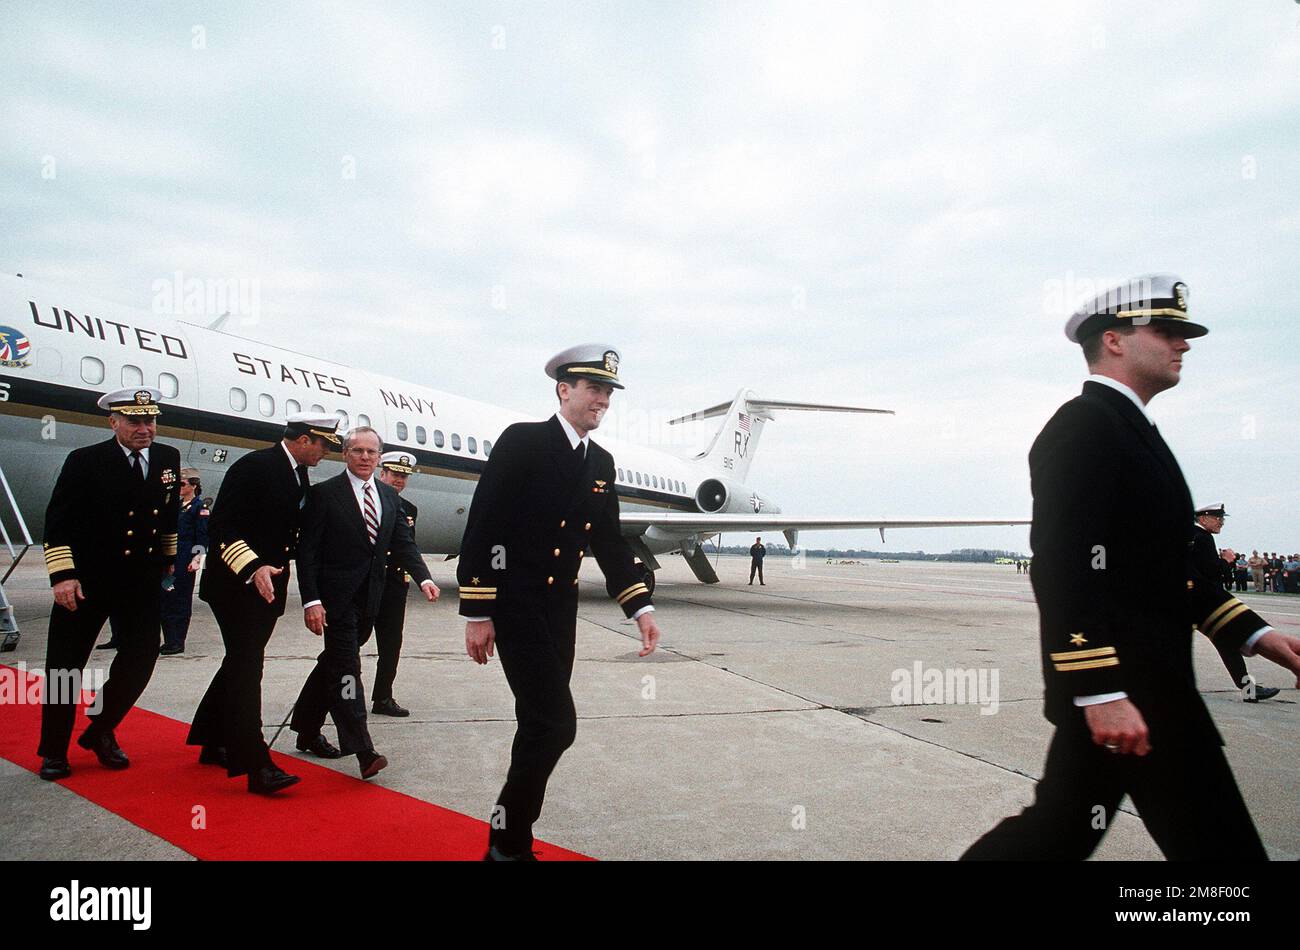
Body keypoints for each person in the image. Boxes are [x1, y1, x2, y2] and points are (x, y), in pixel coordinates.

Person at [962, 274, 1300, 860]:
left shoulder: (1135, 431)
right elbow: (1064, 567)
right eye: (1168, 330)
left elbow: (1169, 573)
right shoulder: (1083, 428)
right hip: (1126, 693)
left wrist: (1256, 633)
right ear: (1114, 339)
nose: (1184, 344)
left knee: (1058, 834)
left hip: (1150, 693)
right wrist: (1098, 690)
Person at [459, 343, 663, 860]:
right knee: (556, 725)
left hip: (559, 613)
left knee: (536, 724)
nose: (602, 400)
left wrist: (638, 605)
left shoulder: (601, 462)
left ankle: (511, 839)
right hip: (515, 605)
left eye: (608, 392)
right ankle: (505, 843)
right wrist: (478, 611)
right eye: (594, 389)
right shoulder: (523, 443)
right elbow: (485, 524)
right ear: (564, 389)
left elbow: (609, 540)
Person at [186, 413, 339, 794]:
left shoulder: (296, 472)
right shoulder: (254, 467)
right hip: (237, 585)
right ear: (304, 440)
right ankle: (254, 763)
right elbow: (222, 526)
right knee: (246, 666)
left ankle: (210, 738)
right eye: (323, 445)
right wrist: (252, 567)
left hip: (268, 587)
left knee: (239, 660)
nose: (325, 454)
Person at [37, 388, 181, 781]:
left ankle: (100, 730)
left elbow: (169, 516)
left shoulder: (168, 457)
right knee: (65, 668)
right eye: (134, 421)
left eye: (150, 420)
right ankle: (53, 750)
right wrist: (63, 576)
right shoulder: (85, 461)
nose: (144, 428)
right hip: (88, 581)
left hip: (140, 582)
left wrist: (168, 562)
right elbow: (58, 523)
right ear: (113, 422)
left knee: (141, 659)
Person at [290, 428, 439, 778]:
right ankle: (363, 749)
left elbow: (403, 542)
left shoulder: (389, 497)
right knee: (346, 670)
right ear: (345, 454)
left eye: (371, 452)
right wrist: (311, 600)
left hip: (370, 599)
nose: (365, 457)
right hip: (335, 600)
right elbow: (307, 553)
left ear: (379, 456)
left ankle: (306, 727)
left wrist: (425, 577)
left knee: (332, 663)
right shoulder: (325, 495)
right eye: (357, 450)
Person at [1191, 504, 1279, 701]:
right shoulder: (1203, 538)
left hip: (1197, 603)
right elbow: (1210, 572)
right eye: (1217, 517)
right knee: (1229, 644)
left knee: (1227, 645)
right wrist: (1227, 560)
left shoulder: (1191, 536)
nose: (1221, 521)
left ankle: (1249, 690)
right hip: (1204, 604)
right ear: (1203, 518)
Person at [367, 451, 424, 717]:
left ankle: (383, 697)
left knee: (391, 646)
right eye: (394, 475)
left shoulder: (409, 509)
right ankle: (341, 696)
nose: (399, 480)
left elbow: (407, 548)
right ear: (382, 474)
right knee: (349, 646)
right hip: (366, 585)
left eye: (403, 476)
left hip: (394, 588)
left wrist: (422, 578)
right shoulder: (367, 501)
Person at [159, 469, 209, 656]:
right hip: (171, 559)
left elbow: (203, 536)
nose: (179, 488)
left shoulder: (199, 507)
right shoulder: (178, 505)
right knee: (166, 596)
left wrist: (197, 560)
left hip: (185, 561)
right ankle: (169, 639)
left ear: (193, 486)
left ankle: (177, 641)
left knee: (180, 600)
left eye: (183, 484)